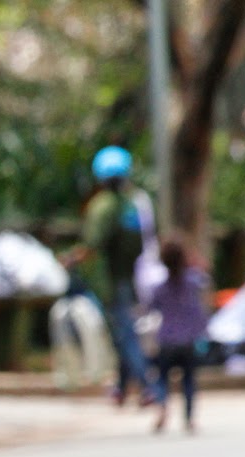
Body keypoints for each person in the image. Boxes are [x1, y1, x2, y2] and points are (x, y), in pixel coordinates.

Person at [65, 145, 154, 406]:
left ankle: (148, 387)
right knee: (122, 331)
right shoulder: (130, 205)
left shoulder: (102, 207)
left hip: (108, 282)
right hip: (129, 278)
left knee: (124, 334)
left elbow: (92, 244)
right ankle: (121, 388)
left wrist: (70, 259)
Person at [147, 238, 210, 434]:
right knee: (189, 379)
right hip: (189, 341)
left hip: (166, 340)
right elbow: (205, 279)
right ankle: (189, 418)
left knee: (162, 378)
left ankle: (163, 407)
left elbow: (151, 307)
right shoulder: (192, 282)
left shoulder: (160, 288)